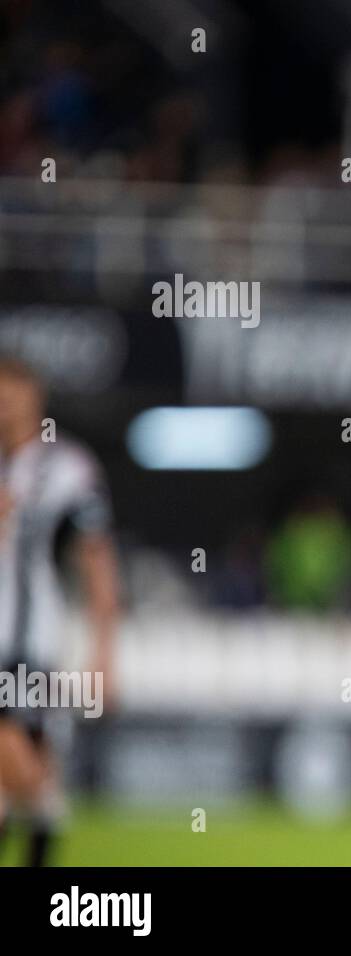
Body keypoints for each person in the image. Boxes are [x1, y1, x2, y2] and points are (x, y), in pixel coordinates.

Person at [0, 356, 119, 865]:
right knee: (14, 781)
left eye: (12, 389)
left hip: (28, 643)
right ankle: (47, 809)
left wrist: (103, 652)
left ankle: (45, 806)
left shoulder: (68, 467)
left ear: (35, 396)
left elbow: (96, 559)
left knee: (11, 756)